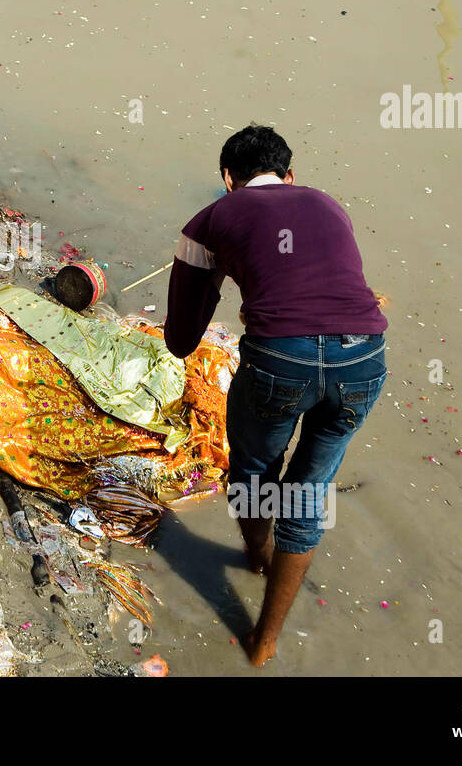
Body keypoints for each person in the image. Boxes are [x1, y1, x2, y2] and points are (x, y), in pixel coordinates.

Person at [164, 124, 387, 667]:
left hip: (278, 362)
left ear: (227, 180)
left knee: (255, 471)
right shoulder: (330, 206)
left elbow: (180, 339)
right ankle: (265, 642)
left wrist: (218, 275)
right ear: (290, 175)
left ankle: (257, 555)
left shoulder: (209, 221)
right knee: (309, 497)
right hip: (364, 356)